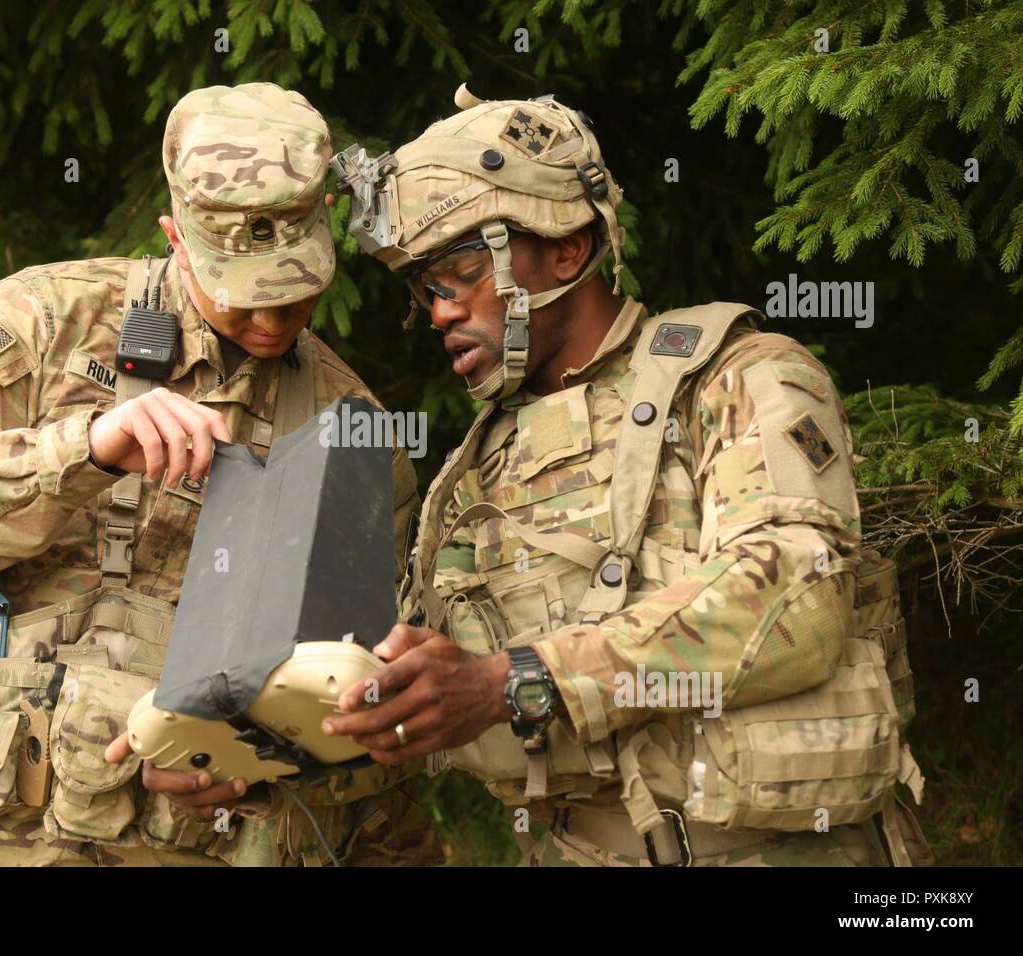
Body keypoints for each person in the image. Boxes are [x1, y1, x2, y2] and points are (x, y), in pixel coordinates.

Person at [322, 86, 930, 866]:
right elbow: (432, 680)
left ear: (567, 248)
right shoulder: (477, 470)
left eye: (461, 268)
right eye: (423, 287)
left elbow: (797, 596)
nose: (438, 311)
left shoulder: (737, 376)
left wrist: (520, 680)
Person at [0, 81, 440, 867]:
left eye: (293, 295)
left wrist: (257, 765)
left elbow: (363, 686)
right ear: (174, 236)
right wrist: (81, 451)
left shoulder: (347, 425)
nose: (268, 324)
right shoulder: (42, 321)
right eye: (240, 295)